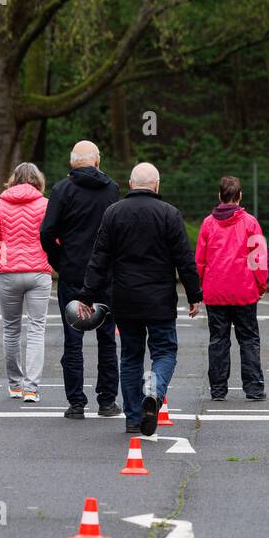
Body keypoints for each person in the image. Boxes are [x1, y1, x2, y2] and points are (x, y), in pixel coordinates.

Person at [78, 163, 202, 436]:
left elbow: (99, 258)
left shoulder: (113, 213)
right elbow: (184, 258)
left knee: (131, 357)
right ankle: (155, 393)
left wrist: (87, 294)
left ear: (131, 184)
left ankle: (133, 417)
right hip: (159, 299)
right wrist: (194, 295)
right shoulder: (169, 214)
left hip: (124, 297)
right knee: (165, 352)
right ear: (157, 185)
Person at [40, 140, 122, 420]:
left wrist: (59, 260)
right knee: (107, 338)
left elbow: (47, 232)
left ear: (72, 162)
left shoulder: (62, 190)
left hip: (73, 271)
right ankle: (107, 401)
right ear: (97, 161)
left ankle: (76, 402)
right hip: (105, 273)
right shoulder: (111, 189)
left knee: (72, 339)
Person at [195, 175, 268, 401]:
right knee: (248, 339)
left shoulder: (208, 223)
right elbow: (258, 258)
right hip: (244, 291)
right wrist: (261, 284)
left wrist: (198, 287)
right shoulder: (250, 222)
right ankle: (254, 388)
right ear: (240, 196)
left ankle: (218, 389)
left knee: (218, 339)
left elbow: (200, 260)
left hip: (215, 291)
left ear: (220, 196)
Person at [0, 163, 52, 403]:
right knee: (36, 329)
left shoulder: (1, 204)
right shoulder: (45, 205)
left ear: (13, 179)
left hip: (8, 273)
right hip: (38, 272)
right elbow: (54, 237)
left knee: (11, 330)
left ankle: (15, 385)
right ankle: (31, 388)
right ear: (38, 179)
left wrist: (3, 256)